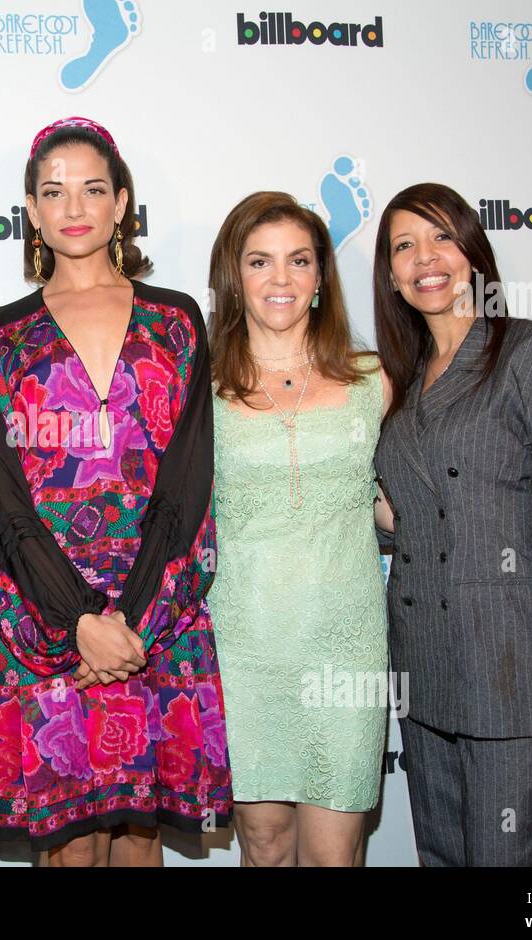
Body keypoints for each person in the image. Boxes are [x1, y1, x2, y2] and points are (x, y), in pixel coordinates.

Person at [0, 117, 231, 866]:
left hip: (157, 617)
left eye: (92, 188)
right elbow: (0, 505)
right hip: (48, 624)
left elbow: (190, 488)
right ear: (31, 210)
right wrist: (78, 622)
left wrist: (134, 624)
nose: (74, 206)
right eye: (53, 192)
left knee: (138, 841)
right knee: (70, 850)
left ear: (122, 203)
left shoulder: (177, 321)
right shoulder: (0, 336)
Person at [371, 182, 532, 866]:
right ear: (391, 274)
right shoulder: (404, 381)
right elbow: (423, 513)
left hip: (515, 679)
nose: (426, 259)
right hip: (427, 675)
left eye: (442, 237)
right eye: (405, 246)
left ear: (474, 249)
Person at [209, 191, 392, 866]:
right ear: (235, 279)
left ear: (321, 278)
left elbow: (402, 504)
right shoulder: (199, 389)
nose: (280, 279)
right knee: (263, 843)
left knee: (335, 854)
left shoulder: (374, 380)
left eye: (298, 261)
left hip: (345, 648)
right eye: (260, 261)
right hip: (243, 645)